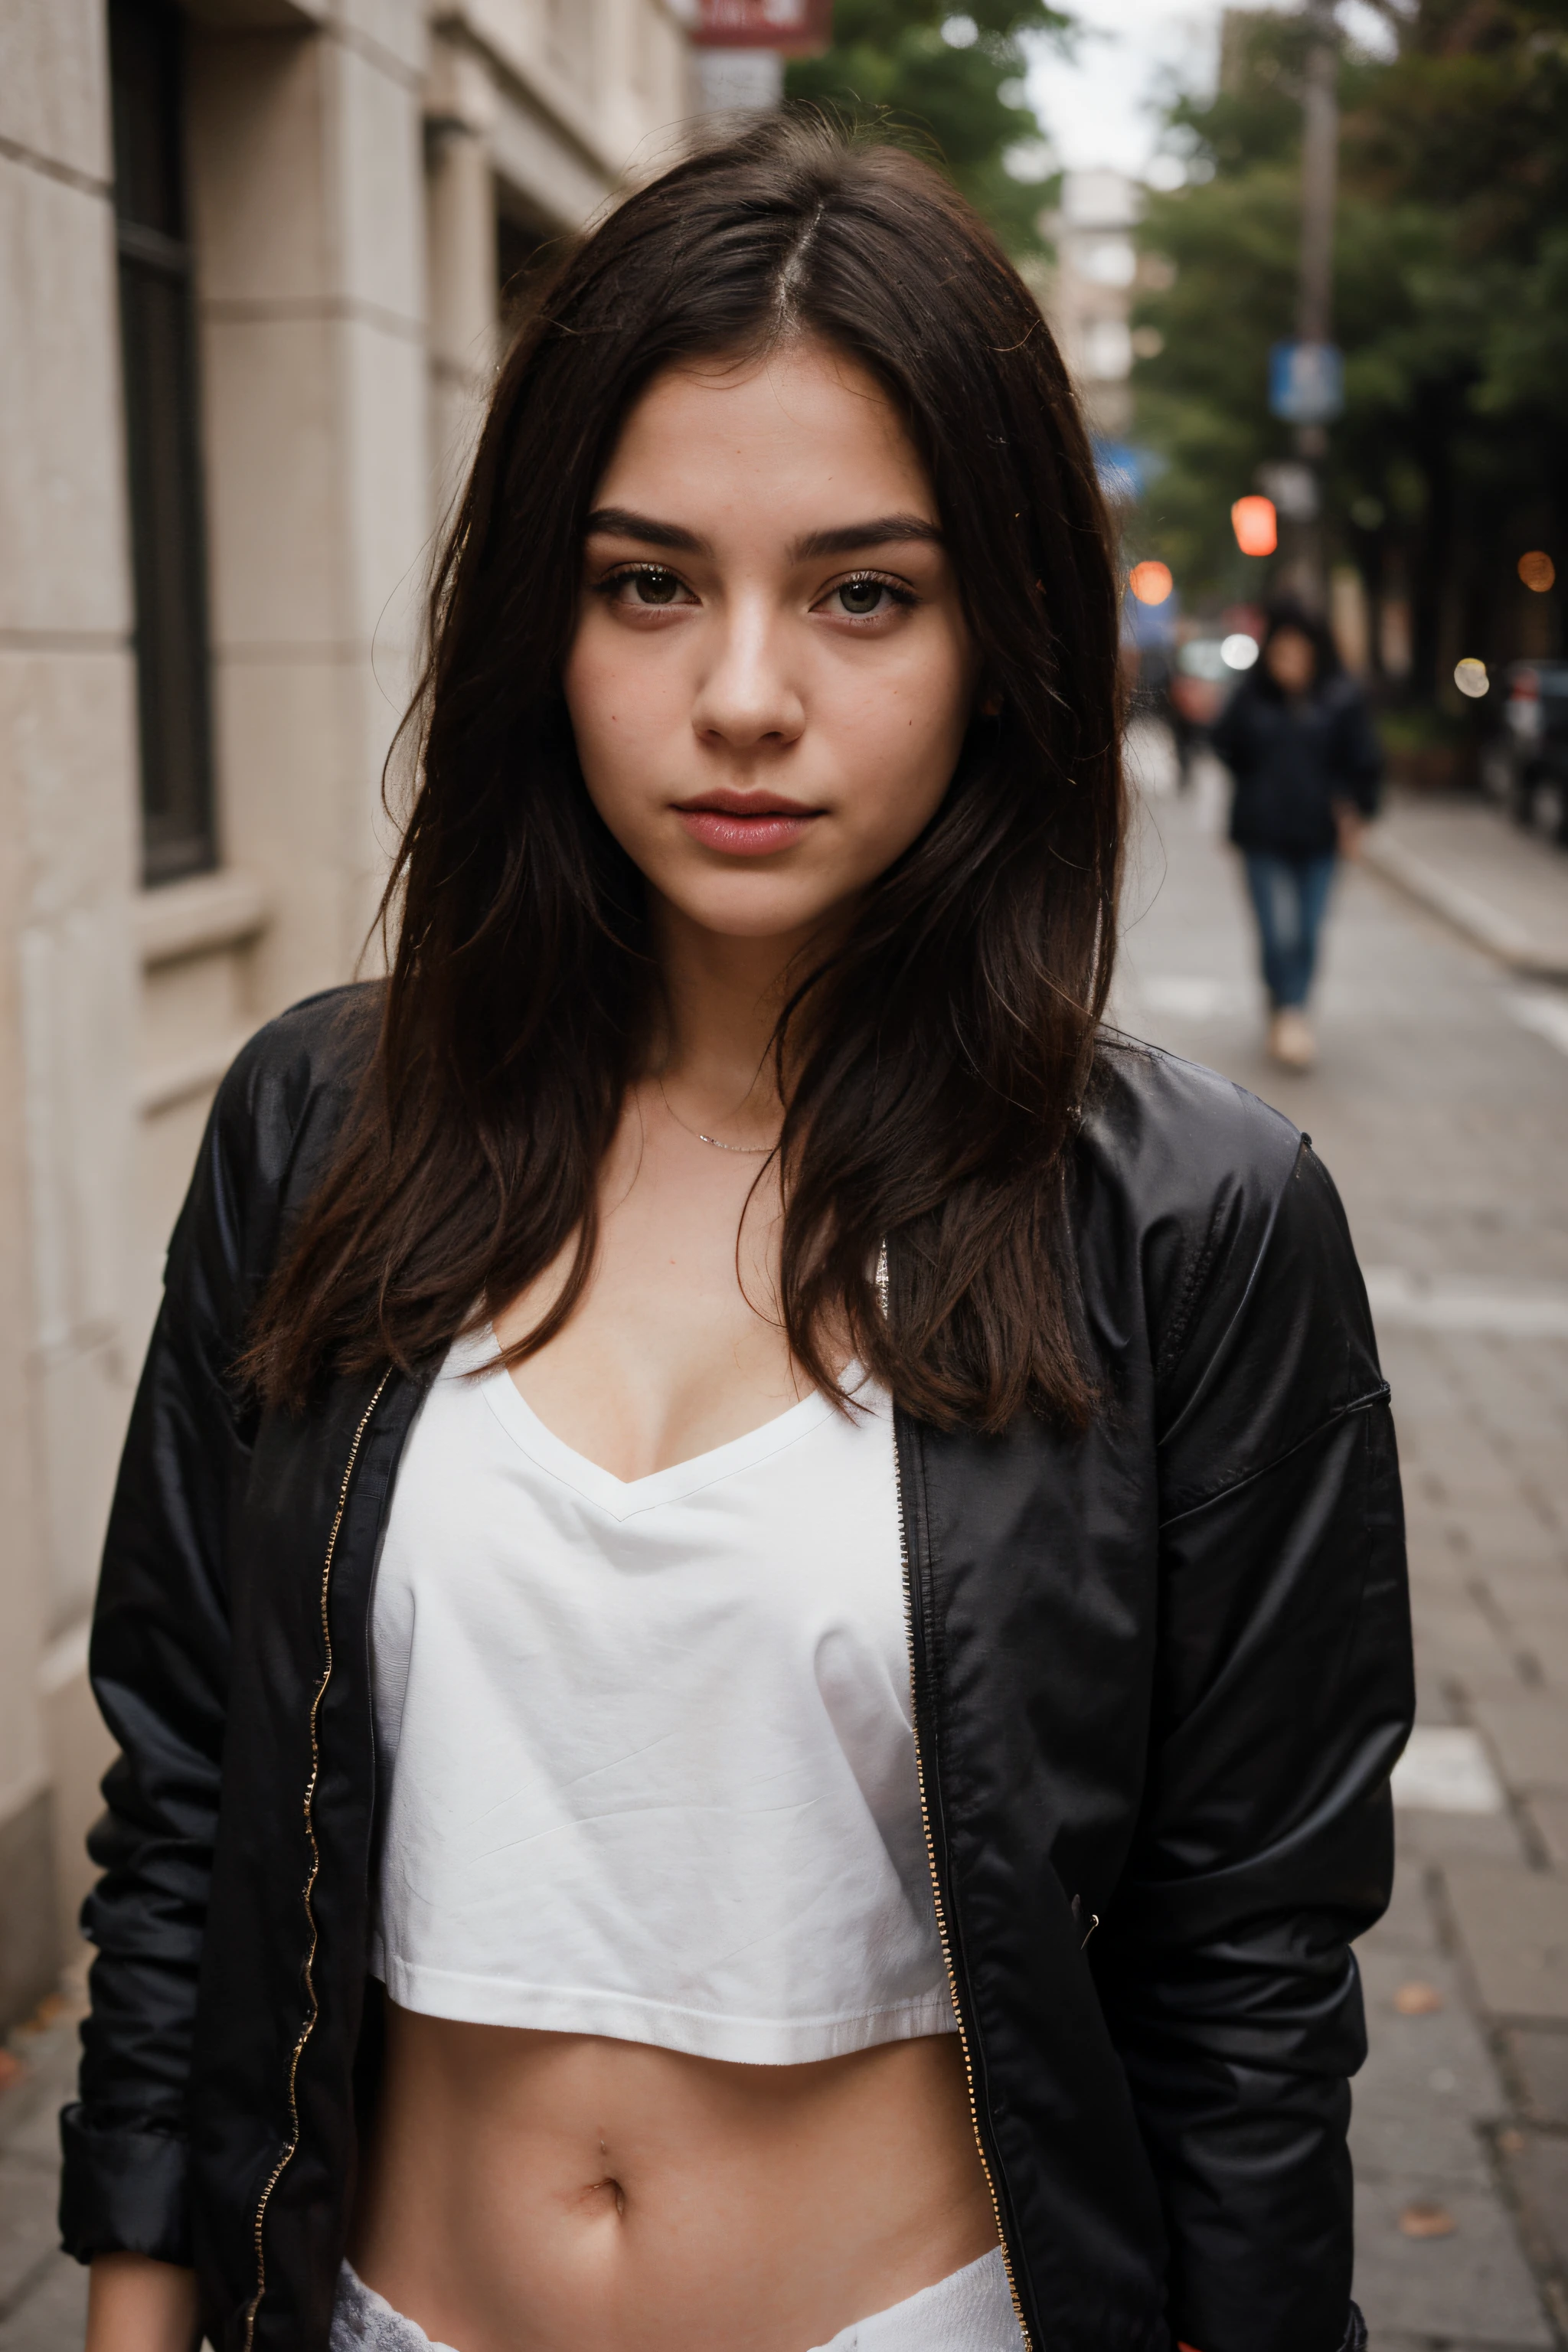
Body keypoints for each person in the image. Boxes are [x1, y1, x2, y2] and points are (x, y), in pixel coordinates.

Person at [62, 119, 1411, 2352]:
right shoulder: (322, 1122)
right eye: (647, 581)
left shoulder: (1189, 1222)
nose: (746, 694)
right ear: (541, 617)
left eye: (861, 591)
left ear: (1000, 638)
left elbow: (1249, 1958)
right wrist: (130, 2303)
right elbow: (191, 1777)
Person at [1212, 603, 1383, 1071]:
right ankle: (1285, 1009)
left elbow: (1363, 764)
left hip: (1319, 837)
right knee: (1274, 932)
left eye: (1299, 654)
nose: (1289, 663)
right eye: (1281, 654)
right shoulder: (1252, 696)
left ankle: (1293, 1011)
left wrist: (1356, 812)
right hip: (1262, 835)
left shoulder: (1340, 699)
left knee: (1306, 931)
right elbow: (1223, 742)